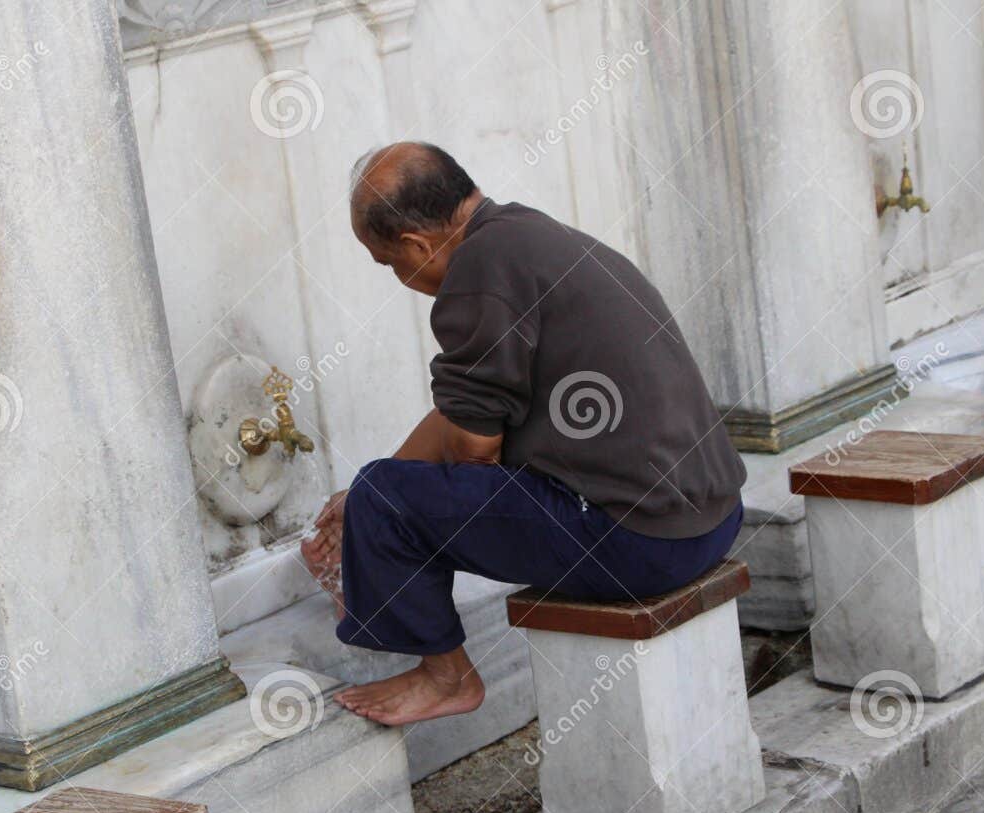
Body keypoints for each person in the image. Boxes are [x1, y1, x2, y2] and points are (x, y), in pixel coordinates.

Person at [304, 142, 746, 727]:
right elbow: (468, 415)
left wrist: (375, 526)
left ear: (415, 246)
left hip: (639, 544)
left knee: (384, 495)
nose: (399, 276)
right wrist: (359, 509)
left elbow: (472, 450)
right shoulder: (529, 236)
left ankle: (447, 677)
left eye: (390, 263)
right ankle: (395, 557)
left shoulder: (478, 277)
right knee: (380, 496)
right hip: (712, 520)